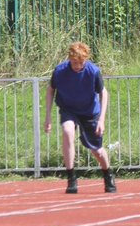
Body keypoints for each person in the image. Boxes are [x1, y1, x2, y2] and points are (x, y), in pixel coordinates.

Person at [43, 41, 116, 194]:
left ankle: (108, 175)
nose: (77, 66)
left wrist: (101, 120)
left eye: (81, 62)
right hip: (68, 109)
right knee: (67, 130)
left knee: (97, 151)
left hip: (89, 111)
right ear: (69, 59)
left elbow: (104, 93)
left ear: (86, 60)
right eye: (74, 62)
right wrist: (48, 116)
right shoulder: (60, 71)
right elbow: (50, 90)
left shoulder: (93, 71)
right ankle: (71, 178)